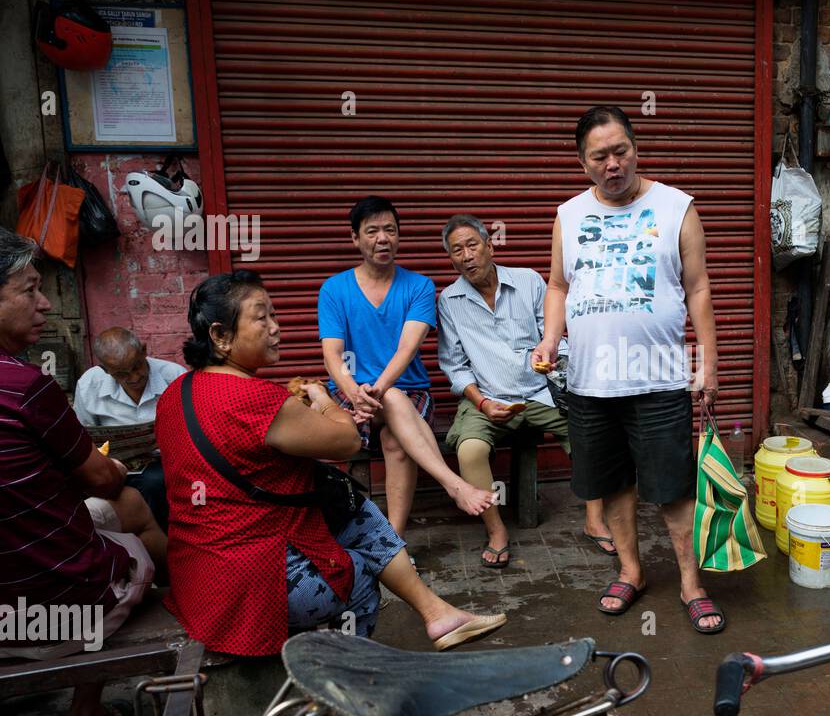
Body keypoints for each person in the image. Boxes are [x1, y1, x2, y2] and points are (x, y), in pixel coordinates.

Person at [155, 270, 506, 657]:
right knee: (358, 570)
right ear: (220, 336)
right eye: (261, 317)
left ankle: (436, 612)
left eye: (274, 314)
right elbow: (347, 442)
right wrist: (323, 399)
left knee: (349, 508)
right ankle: (342, 689)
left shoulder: (175, 393)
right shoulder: (254, 400)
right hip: (252, 588)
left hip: (195, 575)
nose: (276, 327)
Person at [533, 106, 725, 633]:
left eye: (622, 151)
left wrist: (706, 361)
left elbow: (699, 287)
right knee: (612, 482)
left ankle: (691, 582)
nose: (613, 164)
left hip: (658, 374)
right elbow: (557, 286)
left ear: (635, 148)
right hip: (591, 380)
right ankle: (631, 570)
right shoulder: (568, 214)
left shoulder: (676, 207)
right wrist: (550, 338)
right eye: (600, 156)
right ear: (582, 162)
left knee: (672, 486)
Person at [0, 227, 165, 716]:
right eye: (29, 289)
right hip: (48, 611)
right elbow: (100, 477)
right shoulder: (27, 388)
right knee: (130, 539)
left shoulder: (169, 376)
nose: (46, 303)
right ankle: (85, 714)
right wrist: (108, 466)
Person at [436, 214, 614, 567]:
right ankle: (496, 531)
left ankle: (595, 520)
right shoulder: (450, 301)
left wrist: (550, 358)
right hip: (487, 396)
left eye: (473, 245)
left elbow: (553, 337)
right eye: (457, 251)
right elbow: (454, 366)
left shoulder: (529, 281)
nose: (467, 256)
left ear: (489, 245)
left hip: (539, 391)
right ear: (452, 259)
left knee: (588, 433)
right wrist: (482, 403)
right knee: (470, 451)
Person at [319, 196, 495, 535]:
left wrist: (376, 391)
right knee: (392, 408)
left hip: (407, 391)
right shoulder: (334, 290)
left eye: (390, 230)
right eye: (372, 231)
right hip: (349, 394)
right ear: (355, 238)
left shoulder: (419, 286)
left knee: (395, 428)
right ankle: (452, 485)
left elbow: (407, 348)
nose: (382, 238)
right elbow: (333, 354)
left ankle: (393, 539)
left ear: (399, 236)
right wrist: (354, 393)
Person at [74, 326, 185, 532]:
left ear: (143, 351)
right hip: (113, 464)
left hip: (164, 462)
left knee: (154, 482)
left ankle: (164, 544)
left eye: (137, 366)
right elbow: (83, 435)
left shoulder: (174, 376)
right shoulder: (89, 384)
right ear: (106, 371)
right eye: (121, 374)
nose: (134, 377)